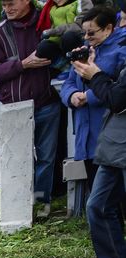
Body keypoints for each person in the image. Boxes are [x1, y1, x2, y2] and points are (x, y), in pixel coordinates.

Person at [0, 0, 63, 218]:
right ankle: (20, 206)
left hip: (47, 103)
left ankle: (41, 204)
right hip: (15, 107)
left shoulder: (49, 21)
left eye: (12, 3)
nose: (7, 8)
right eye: (4, 4)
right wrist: (22, 64)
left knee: (47, 159)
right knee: (19, 158)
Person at [72, 45, 126, 258]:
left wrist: (96, 76)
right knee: (98, 206)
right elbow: (114, 94)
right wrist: (92, 72)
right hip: (115, 143)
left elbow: (118, 99)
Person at [61, 7, 126, 204]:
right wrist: (71, 96)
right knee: (98, 201)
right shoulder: (84, 51)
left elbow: (117, 90)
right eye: (84, 33)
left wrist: (89, 96)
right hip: (86, 136)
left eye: (91, 32)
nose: (87, 37)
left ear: (108, 28)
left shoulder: (120, 52)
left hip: (110, 134)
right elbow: (68, 82)